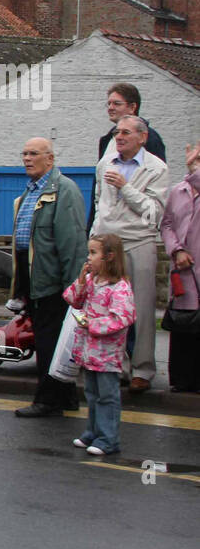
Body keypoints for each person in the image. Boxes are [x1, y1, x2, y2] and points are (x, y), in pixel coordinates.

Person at [9, 138, 87, 417]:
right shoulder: (30, 191)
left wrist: (72, 289)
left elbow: (73, 244)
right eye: (25, 153)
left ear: (50, 159)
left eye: (34, 154)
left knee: (49, 342)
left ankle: (47, 400)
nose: (27, 158)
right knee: (48, 339)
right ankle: (65, 397)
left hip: (54, 283)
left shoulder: (64, 190)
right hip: (34, 281)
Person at [90, 115, 167, 392]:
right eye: (116, 133)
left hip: (139, 241)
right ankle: (117, 366)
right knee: (109, 306)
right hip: (108, 243)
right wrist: (95, 239)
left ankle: (143, 370)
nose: (119, 137)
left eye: (125, 132)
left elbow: (154, 212)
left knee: (142, 309)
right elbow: (100, 203)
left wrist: (126, 187)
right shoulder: (105, 164)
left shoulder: (156, 168)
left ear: (142, 137)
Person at [63, 233, 135, 456]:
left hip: (107, 355)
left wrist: (92, 324)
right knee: (92, 394)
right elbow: (72, 298)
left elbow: (123, 318)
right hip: (90, 353)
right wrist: (81, 280)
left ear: (109, 257)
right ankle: (93, 432)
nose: (89, 257)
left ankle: (108, 438)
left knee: (107, 396)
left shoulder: (120, 288)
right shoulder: (93, 282)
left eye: (94, 253)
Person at [90, 83, 167, 231]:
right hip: (105, 232)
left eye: (116, 103)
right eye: (109, 103)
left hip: (136, 235)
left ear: (133, 107)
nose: (110, 108)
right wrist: (94, 228)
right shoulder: (107, 140)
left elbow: (155, 191)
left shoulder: (151, 140)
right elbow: (99, 193)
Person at [161, 140, 200, 392]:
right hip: (182, 266)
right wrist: (176, 249)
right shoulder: (178, 190)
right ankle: (180, 378)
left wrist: (193, 170)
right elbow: (166, 224)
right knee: (183, 322)